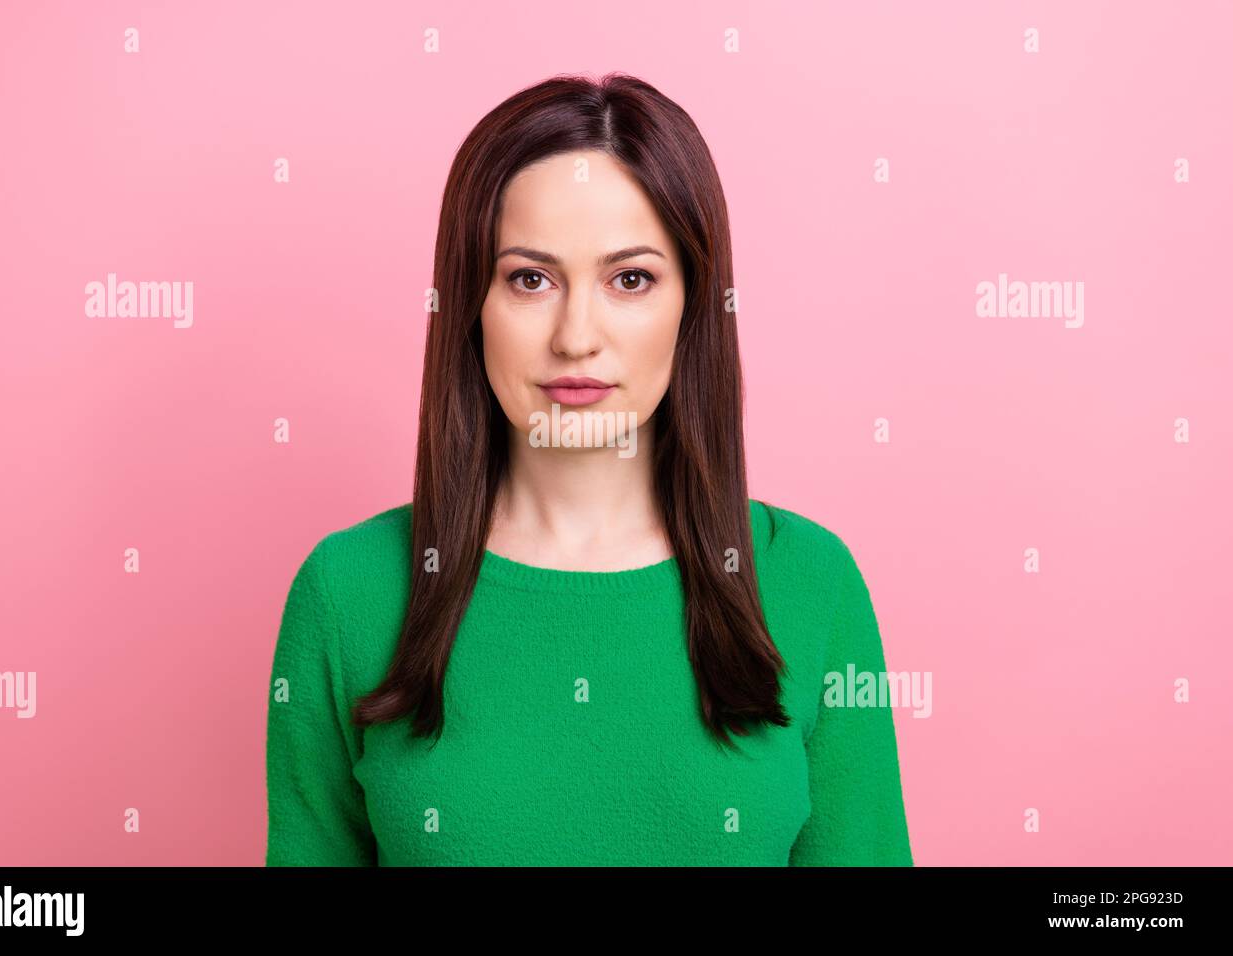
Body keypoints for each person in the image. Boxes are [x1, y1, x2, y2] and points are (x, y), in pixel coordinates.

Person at [266, 72, 912, 867]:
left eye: (630, 279)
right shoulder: (347, 593)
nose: (577, 335)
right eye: (529, 279)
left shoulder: (811, 583)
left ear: (693, 302)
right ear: (470, 301)